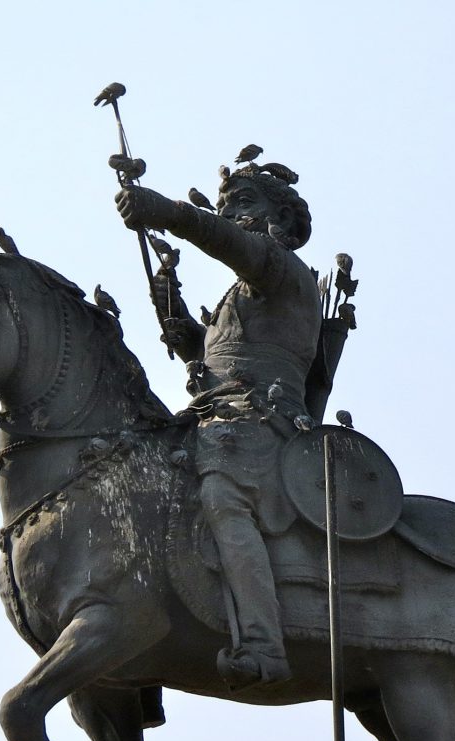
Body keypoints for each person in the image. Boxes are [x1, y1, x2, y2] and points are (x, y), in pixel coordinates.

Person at [116, 163, 321, 689]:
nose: (230, 214)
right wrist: (179, 319)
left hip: (263, 422)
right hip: (214, 416)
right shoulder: (244, 293)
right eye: (225, 206)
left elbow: (225, 241)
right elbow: (219, 356)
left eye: (244, 203)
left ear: (282, 218)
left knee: (223, 496)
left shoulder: (281, 270)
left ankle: (263, 643)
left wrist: (166, 212)